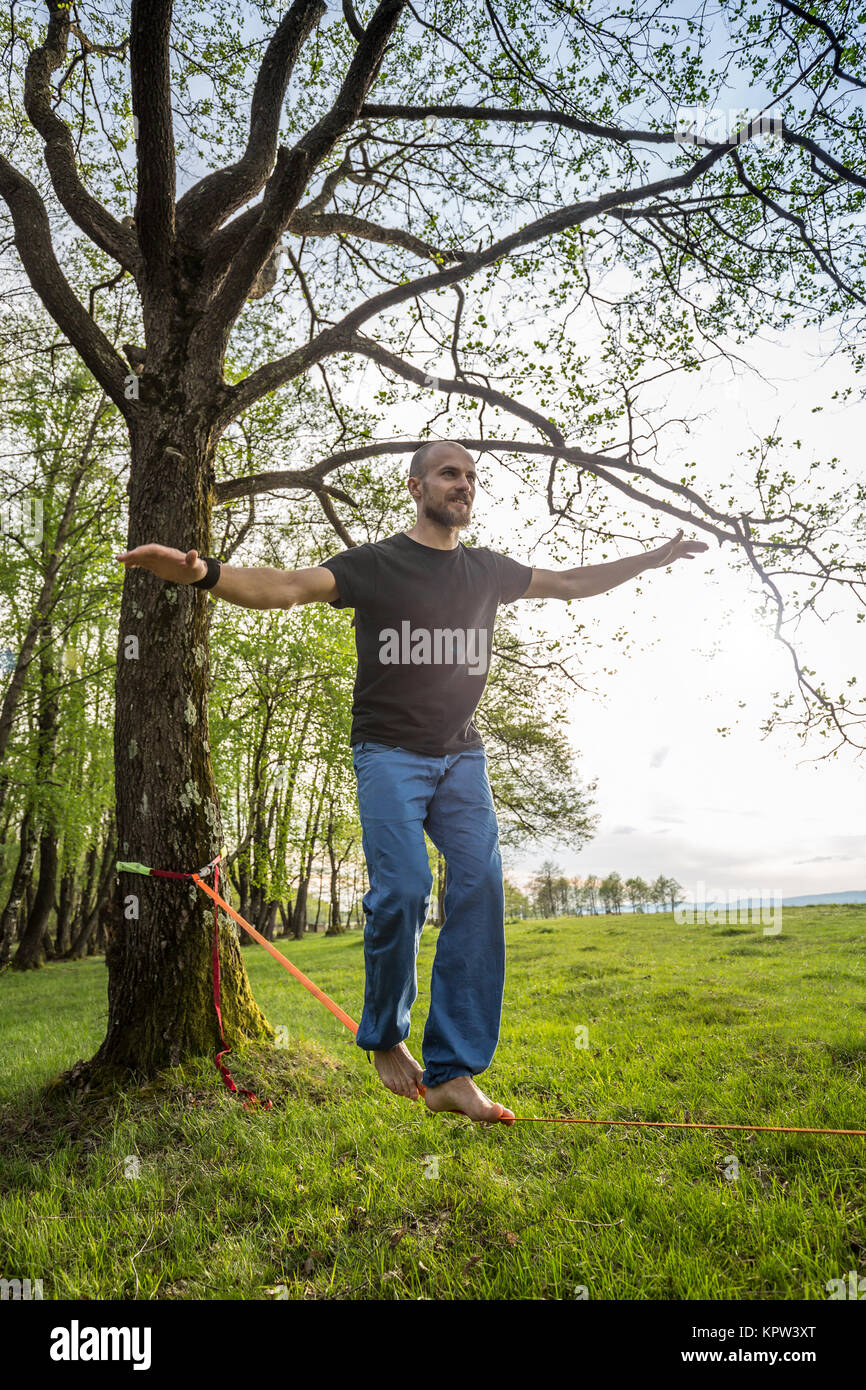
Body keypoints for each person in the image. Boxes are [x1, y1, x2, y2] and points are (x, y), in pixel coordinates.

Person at [117, 440, 708, 1123]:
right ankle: (385, 1036)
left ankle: (453, 1072)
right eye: (449, 473)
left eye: (471, 477)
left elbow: (572, 583)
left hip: (461, 757)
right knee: (403, 890)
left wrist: (652, 558)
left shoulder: (487, 571)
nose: (464, 485)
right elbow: (285, 588)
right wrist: (203, 572)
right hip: (389, 753)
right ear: (415, 486)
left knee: (481, 887)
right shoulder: (376, 565)